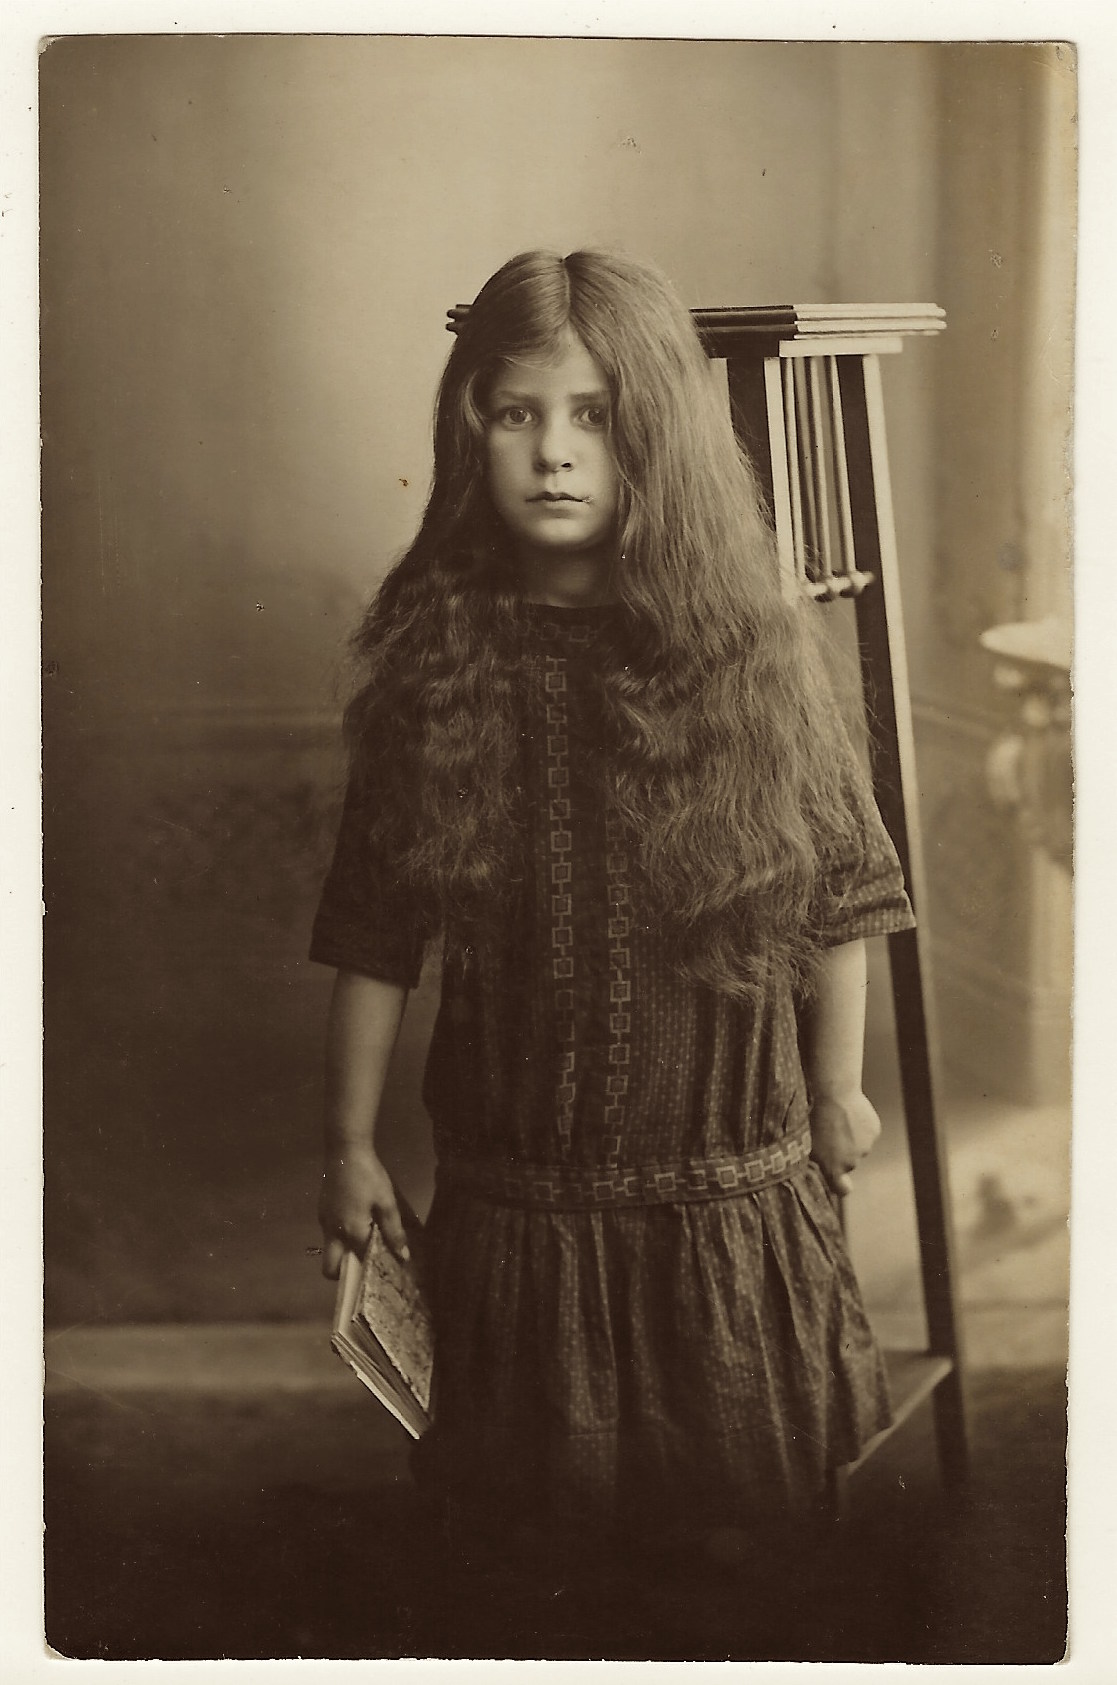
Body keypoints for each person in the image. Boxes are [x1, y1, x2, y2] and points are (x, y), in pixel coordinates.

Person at [310, 249, 915, 1572]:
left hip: (722, 1161)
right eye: (517, 413)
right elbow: (371, 935)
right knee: (531, 1551)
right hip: (516, 1177)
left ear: (656, 437)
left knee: (734, 1543)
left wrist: (834, 1083)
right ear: (471, 431)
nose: (553, 452)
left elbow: (845, 895)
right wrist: (350, 1141)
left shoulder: (751, 654)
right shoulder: (435, 668)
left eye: (593, 416)